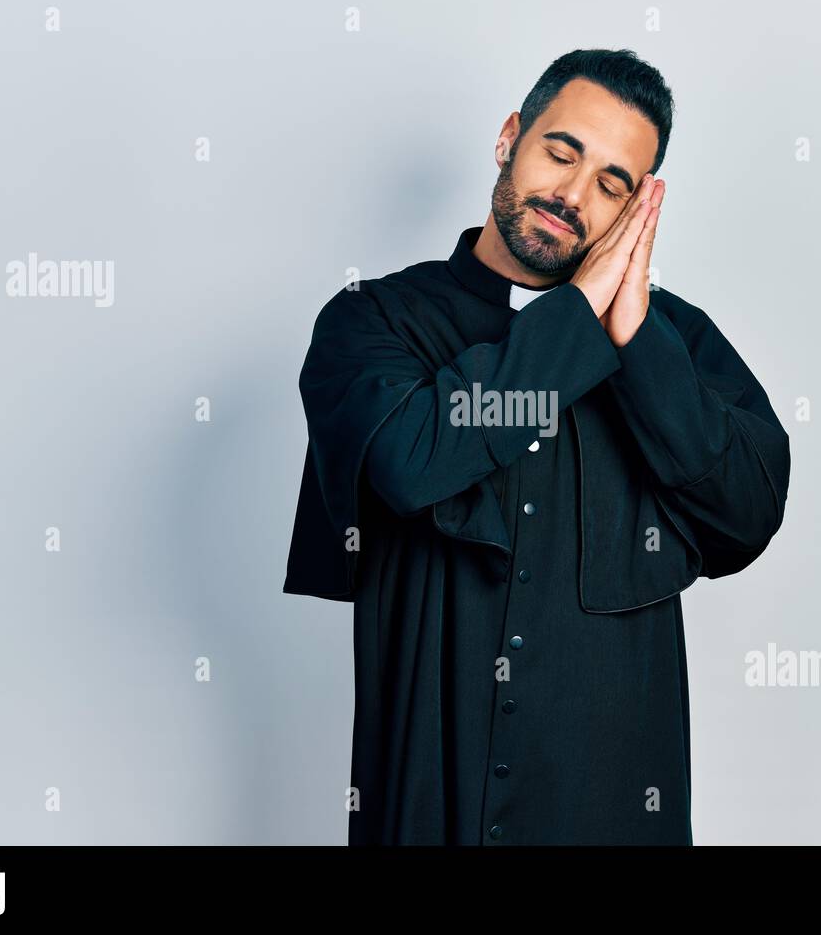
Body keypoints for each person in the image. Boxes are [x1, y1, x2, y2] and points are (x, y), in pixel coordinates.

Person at [282, 48, 791, 845]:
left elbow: (748, 513)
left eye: (613, 182)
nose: (573, 194)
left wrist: (636, 341)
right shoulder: (371, 320)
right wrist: (579, 315)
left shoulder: (678, 342)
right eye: (562, 152)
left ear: (636, 207)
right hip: (425, 803)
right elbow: (411, 460)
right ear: (510, 137)